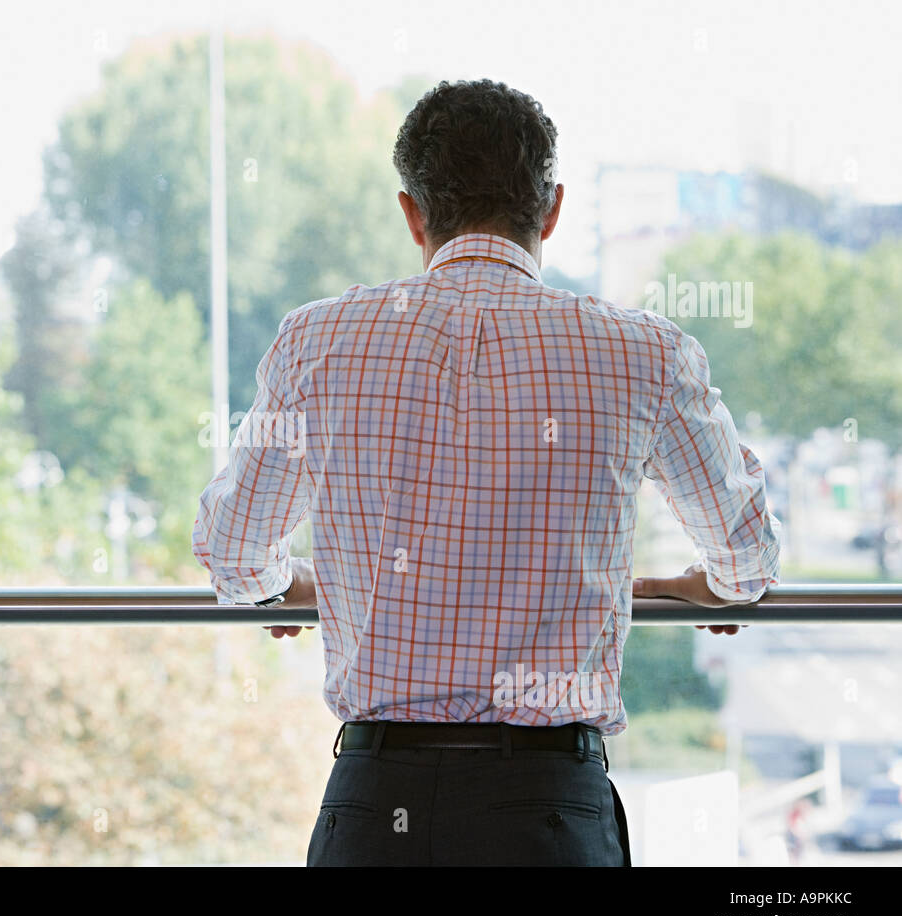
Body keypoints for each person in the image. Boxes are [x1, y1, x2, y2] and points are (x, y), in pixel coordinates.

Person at [191, 78, 781, 866]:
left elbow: (232, 550)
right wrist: (695, 585)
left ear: (412, 213)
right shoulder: (642, 353)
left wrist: (292, 584)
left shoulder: (316, 342)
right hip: (545, 814)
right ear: (553, 209)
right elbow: (747, 559)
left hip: (375, 807)